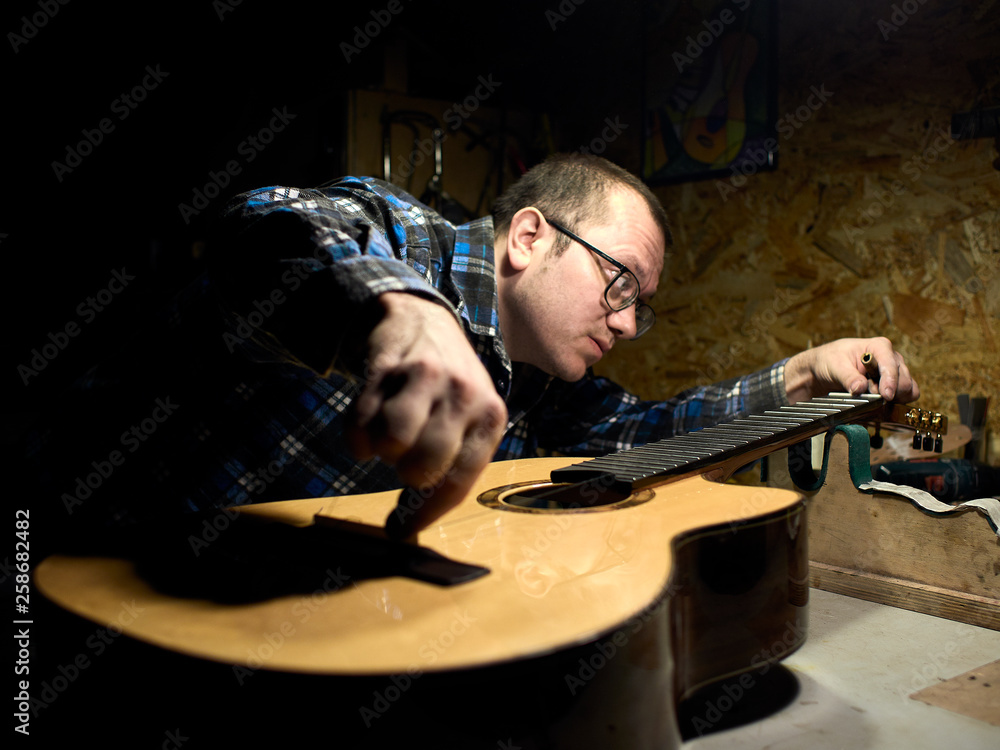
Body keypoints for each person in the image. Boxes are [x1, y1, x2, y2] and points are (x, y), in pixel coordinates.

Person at [29, 153, 917, 538]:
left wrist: (799, 377)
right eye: (619, 287)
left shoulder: (545, 384)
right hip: (70, 574)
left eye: (639, 307)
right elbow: (267, 228)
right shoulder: (410, 240)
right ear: (528, 236)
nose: (626, 323)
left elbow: (651, 438)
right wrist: (403, 316)